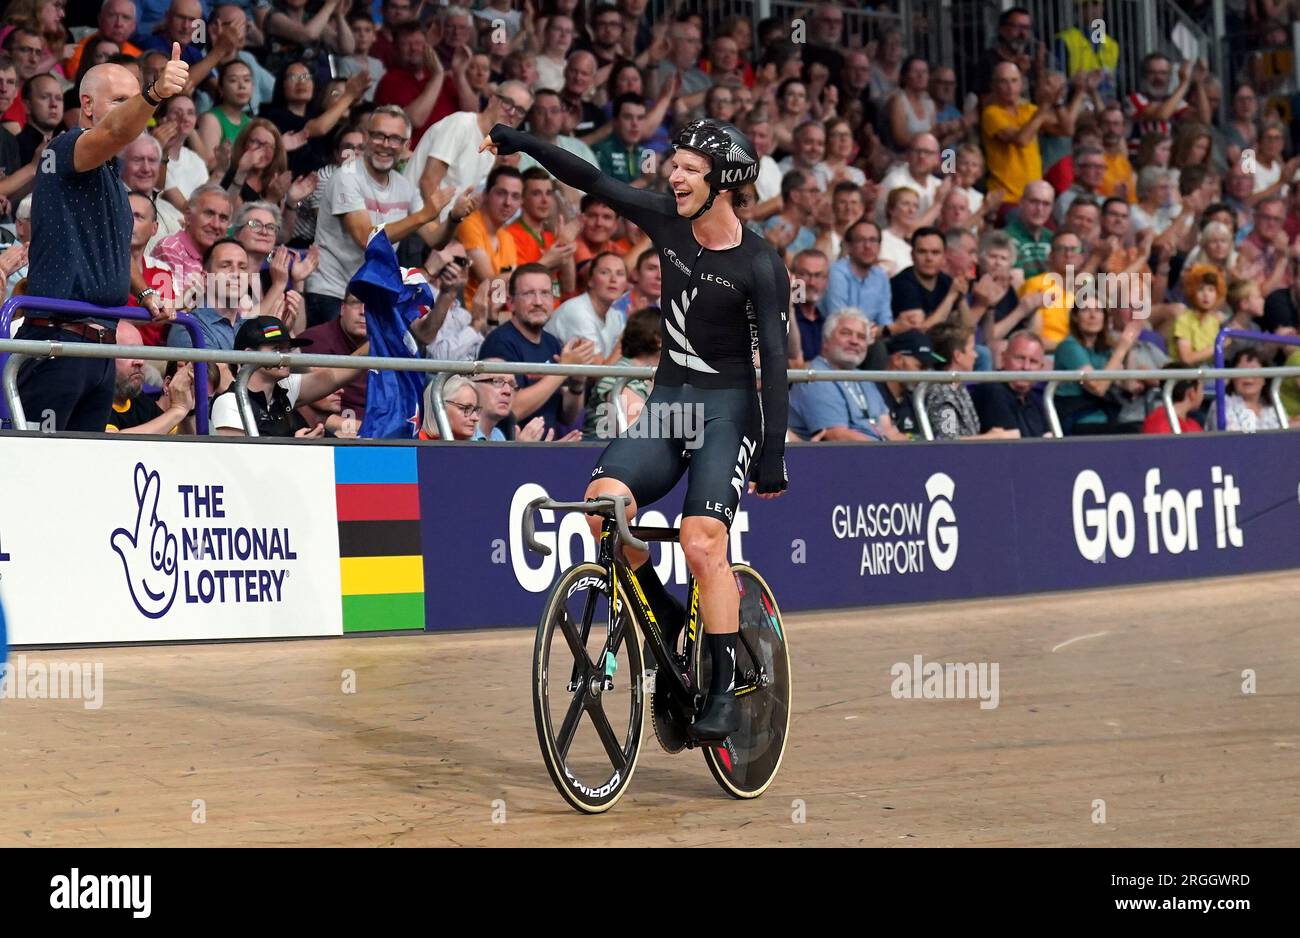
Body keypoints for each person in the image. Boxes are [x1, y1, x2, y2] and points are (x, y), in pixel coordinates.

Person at [481, 116, 789, 739]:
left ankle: (725, 688)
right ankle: (670, 614)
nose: (673, 176)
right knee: (601, 509)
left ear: (723, 183)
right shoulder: (667, 221)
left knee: (702, 542)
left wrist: (773, 453)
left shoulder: (760, 262)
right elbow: (589, 177)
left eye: (689, 170)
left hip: (727, 411)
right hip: (671, 404)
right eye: (672, 164)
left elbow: (776, 363)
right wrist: (522, 141)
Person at [13, 41, 186, 433]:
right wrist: (155, 93)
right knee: (42, 469)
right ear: (88, 105)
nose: (131, 109)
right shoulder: (65, 147)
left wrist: (143, 293)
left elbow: (115, 253)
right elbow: (113, 130)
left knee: (88, 470)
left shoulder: (112, 175)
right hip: (58, 342)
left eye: (133, 98)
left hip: (101, 347)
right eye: (119, 100)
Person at [306, 105, 458, 327]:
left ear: (406, 145)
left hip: (372, 296)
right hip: (332, 293)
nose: (386, 144)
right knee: (338, 363)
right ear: (366, 138)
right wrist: (424, 214)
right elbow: (367, 239)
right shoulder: (345, 177)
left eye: (395, 139)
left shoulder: (404, 186)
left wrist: (454, 218)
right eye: (379, 136)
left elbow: (436, 239)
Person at [210, 315, 367, 437]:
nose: (285, 357)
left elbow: (338, 373)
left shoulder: (284, 389)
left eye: (287, 350)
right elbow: (238, 466)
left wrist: (379, 339)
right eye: (277, 349)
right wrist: (295, 448)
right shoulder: (229, 401)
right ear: (249, 355)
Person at [788, 309, 896, 442]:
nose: (854, 341)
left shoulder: (865, 379)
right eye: (846, 333)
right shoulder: (814, 376)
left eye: (861, 337)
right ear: (826, 341)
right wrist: (889, 454)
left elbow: (888, 430)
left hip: (879, 453)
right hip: (846, 457)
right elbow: (837, 436)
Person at [1051, 295, 1142, 434]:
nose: (1093, 316)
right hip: (1077, 421)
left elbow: (1129, 386)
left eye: (1098, 310)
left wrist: (1129, 347)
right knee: (1135, 431)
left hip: (1105, 419)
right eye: (1085, 310)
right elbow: (1098, 387)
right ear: (1075, 317)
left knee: (1143, 426)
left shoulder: (1103, 349)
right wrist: (1122, 348)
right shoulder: (1069, 346)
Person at [924, 320, 1020, 440]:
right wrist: (993, 437)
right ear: (958, 356)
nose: (976, 355)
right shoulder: (942, 393)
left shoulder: (957, 387)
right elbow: (948, 441)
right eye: (972, 349)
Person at [584, 307, 660, 440]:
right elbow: (638, 432)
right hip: (599, 455)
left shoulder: (649, 374)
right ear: (658, 339)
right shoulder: (621, 375)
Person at [107, 320, 195, 434]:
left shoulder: (142, 402)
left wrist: (187, 410)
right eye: (127, 353)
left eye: (142, 353)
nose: (140, 361)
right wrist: (178, 409)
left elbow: (181, 442)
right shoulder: (93, 401)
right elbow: (112, 445)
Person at [545, 250, 628, 360]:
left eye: (620, 274)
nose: (613, 280)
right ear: (590, 280)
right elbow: (598, 371)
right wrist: (625, 340)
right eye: (605, 272)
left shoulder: (615, 315)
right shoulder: (577, 311)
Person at [969, 330, 1049, 438]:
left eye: (1033, 361)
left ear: (1041, 367)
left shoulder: (1034, 398)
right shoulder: (993, 391)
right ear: (1003, 358)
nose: (1026, 367)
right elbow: (1012, 445)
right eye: (1020, 358)